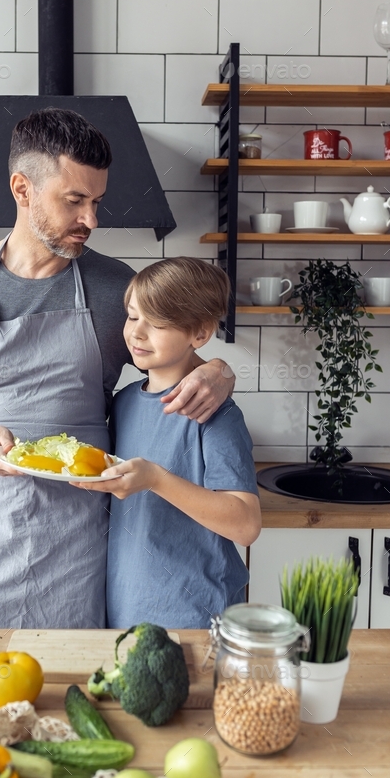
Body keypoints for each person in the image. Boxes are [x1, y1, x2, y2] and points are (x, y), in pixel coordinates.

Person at [0, 108, 235, 629]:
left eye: (96, 201)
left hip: (77, 564)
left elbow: (175, 349)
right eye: (74, 200)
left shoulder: (114, 288)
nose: (92, 220)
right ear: (22, 189)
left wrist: (217, 370)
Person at [74, 257, 261, 629]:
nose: (137, 333)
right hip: (126, 609)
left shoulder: (217, 413)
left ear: (200, 334)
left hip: (196, 616)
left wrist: (156, 479)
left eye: (157, 323)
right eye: (132, 316)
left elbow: (246, 525)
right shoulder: (124, 402)